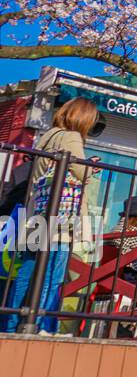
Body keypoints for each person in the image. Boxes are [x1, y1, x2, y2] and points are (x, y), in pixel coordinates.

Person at [1, 98, 102, 334]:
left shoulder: (48, 136)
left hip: (37, 214)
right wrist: (91, 166)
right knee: (53, 273)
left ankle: (15, 322)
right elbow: (80, 171)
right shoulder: (71, 137)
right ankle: (41, 325)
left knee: (28, 270)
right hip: (61, 217)